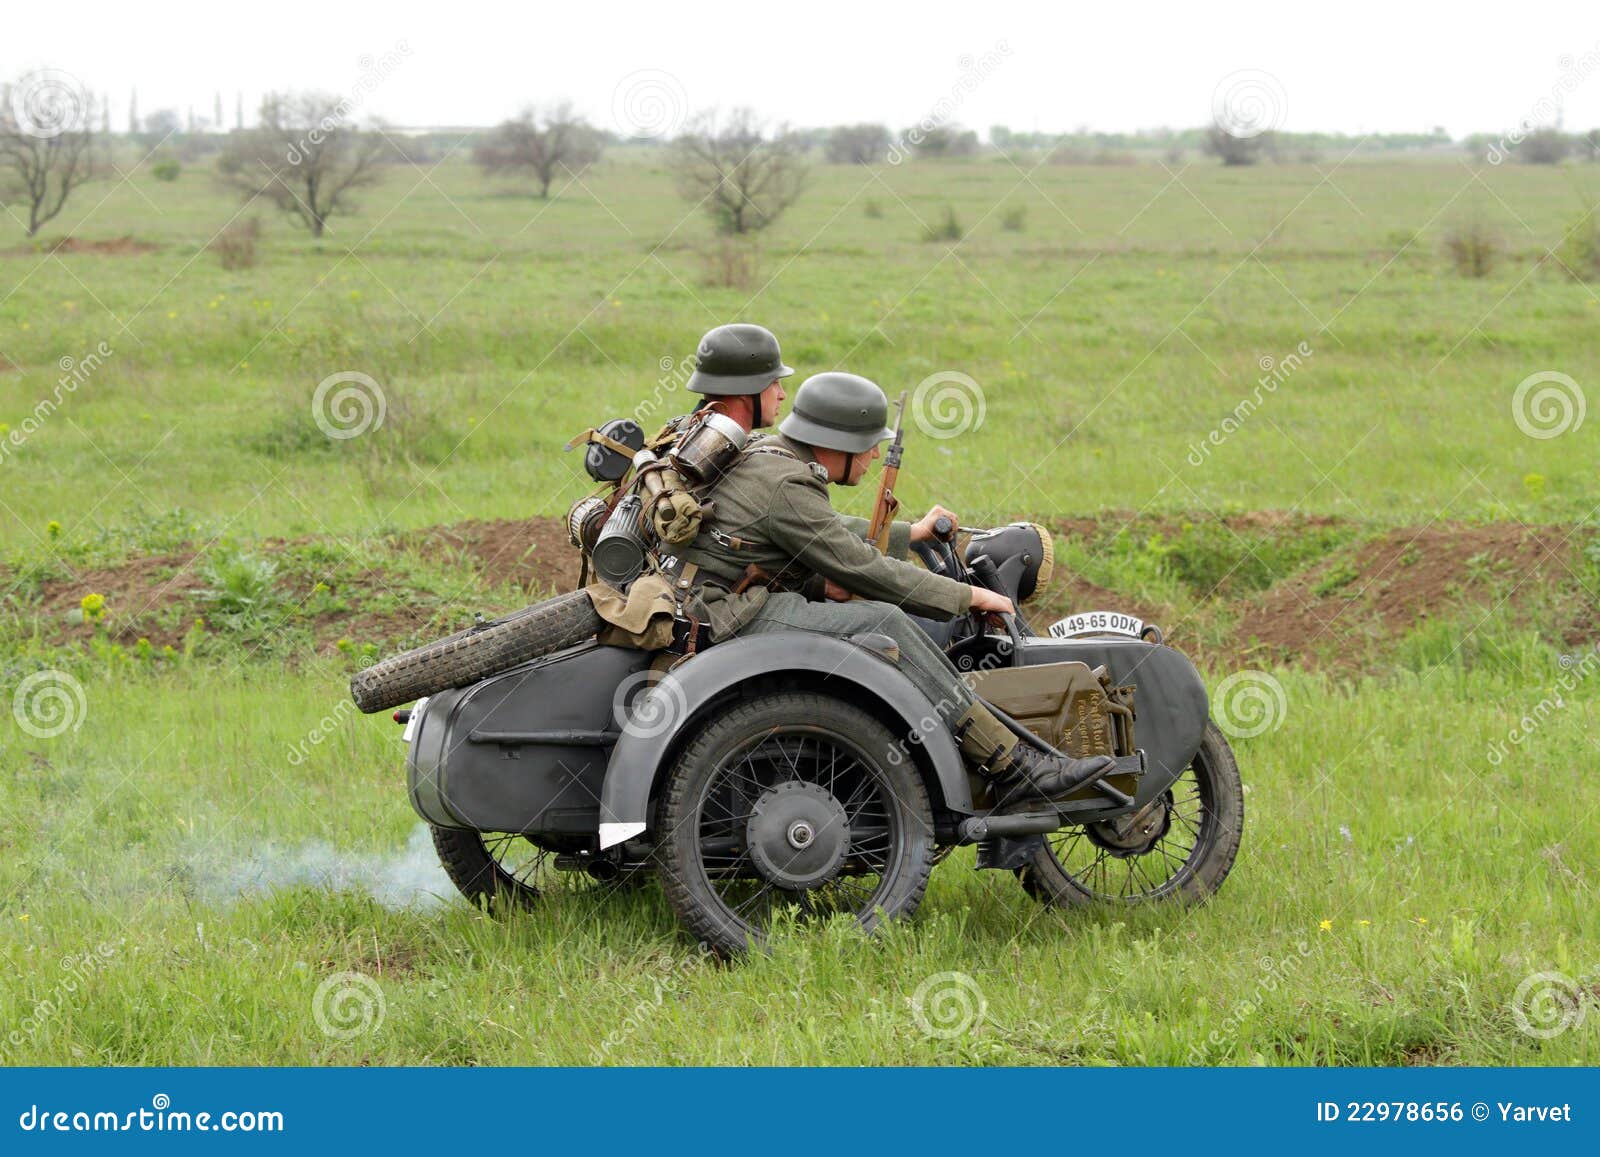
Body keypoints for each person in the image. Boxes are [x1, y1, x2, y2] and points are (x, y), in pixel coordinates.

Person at [672, 371, 1115, 810]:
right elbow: (861, 565)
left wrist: (910, 534)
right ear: (836, 443)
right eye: (869, 443)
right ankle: (1011, 765)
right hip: (725, 609)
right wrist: (968, 597)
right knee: (884, 620)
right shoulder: (788, 482)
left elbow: (818, 529)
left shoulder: (769, 456)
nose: (875, 454)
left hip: (706, 597)